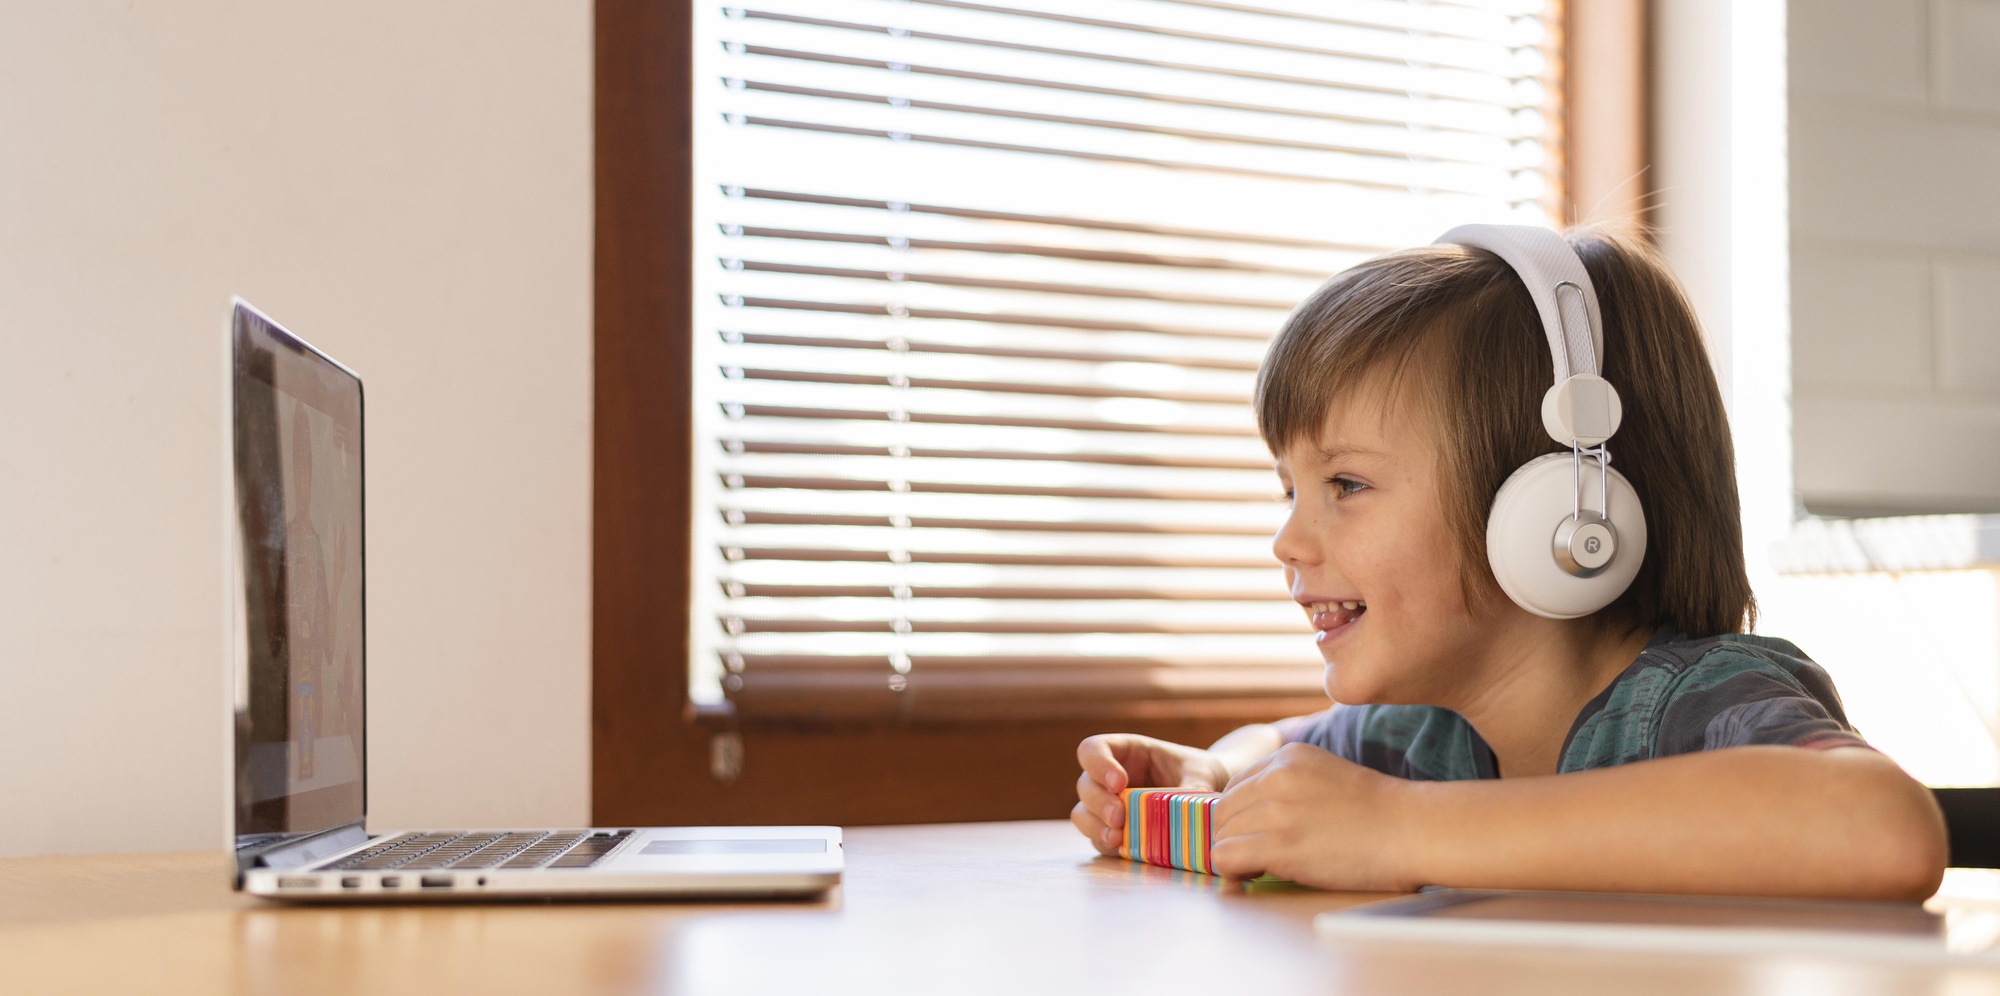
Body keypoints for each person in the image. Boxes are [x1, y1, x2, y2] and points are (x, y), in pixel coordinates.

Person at [1070, 227, 1947, 901]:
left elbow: (1884, 828)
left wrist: (1400, 830)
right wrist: (1214, 772)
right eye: (1286, 490)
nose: (1289, 542)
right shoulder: (1426, 733)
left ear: (1559, 513)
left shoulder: (1687, 704)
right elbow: (1289, 745)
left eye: (1345, 482)